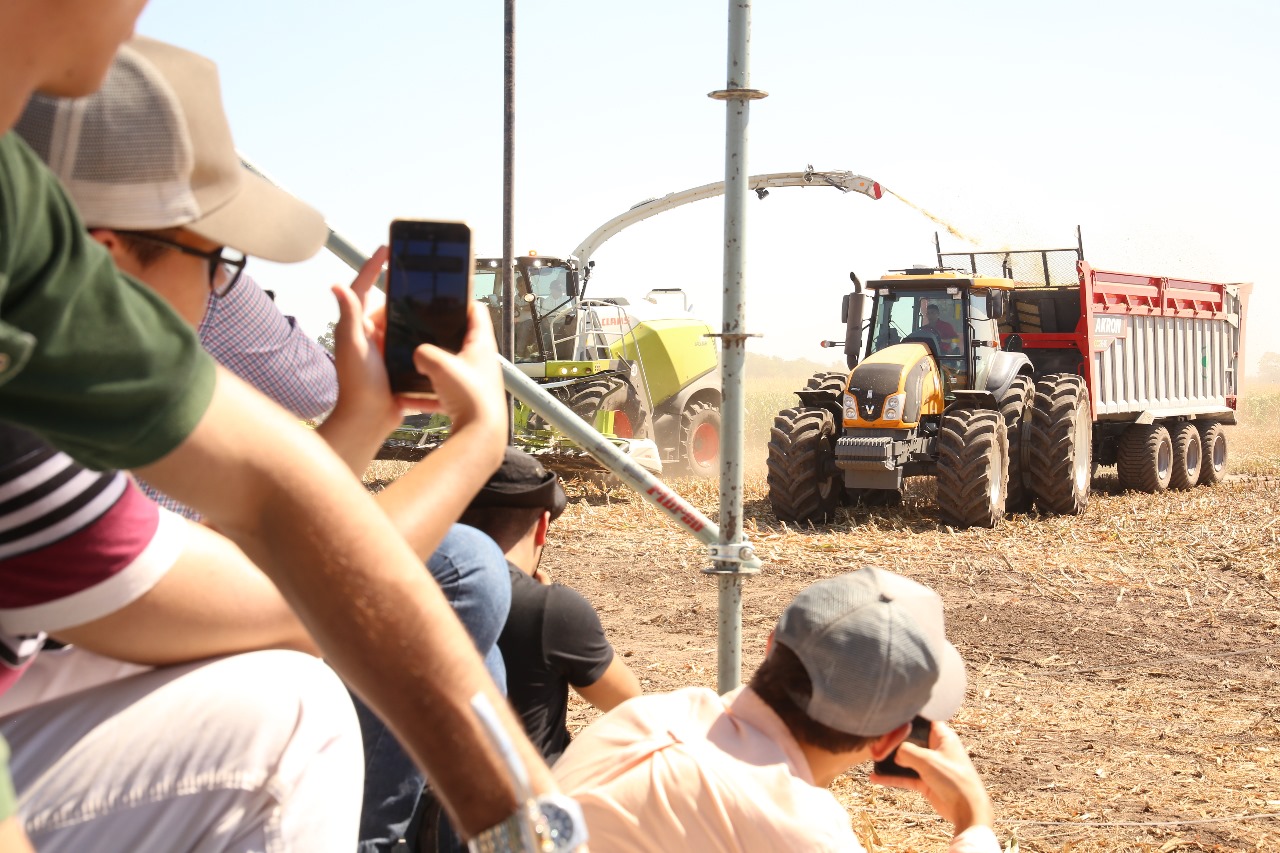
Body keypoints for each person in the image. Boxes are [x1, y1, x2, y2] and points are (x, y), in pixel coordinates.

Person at [0, 13, 559, 849]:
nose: (222, 294)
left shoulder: (28, 288)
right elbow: (295, 599)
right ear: (105, 263)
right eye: (218, 261)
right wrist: (477, 439)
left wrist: (359, 420)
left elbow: (270, 506)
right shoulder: (27, 423)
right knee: (296, 713)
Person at [553, 567, 1000, 852]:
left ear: (771, 647)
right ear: (887, 740)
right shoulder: (801, 831)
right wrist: (973, 822)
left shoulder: (642, 717)